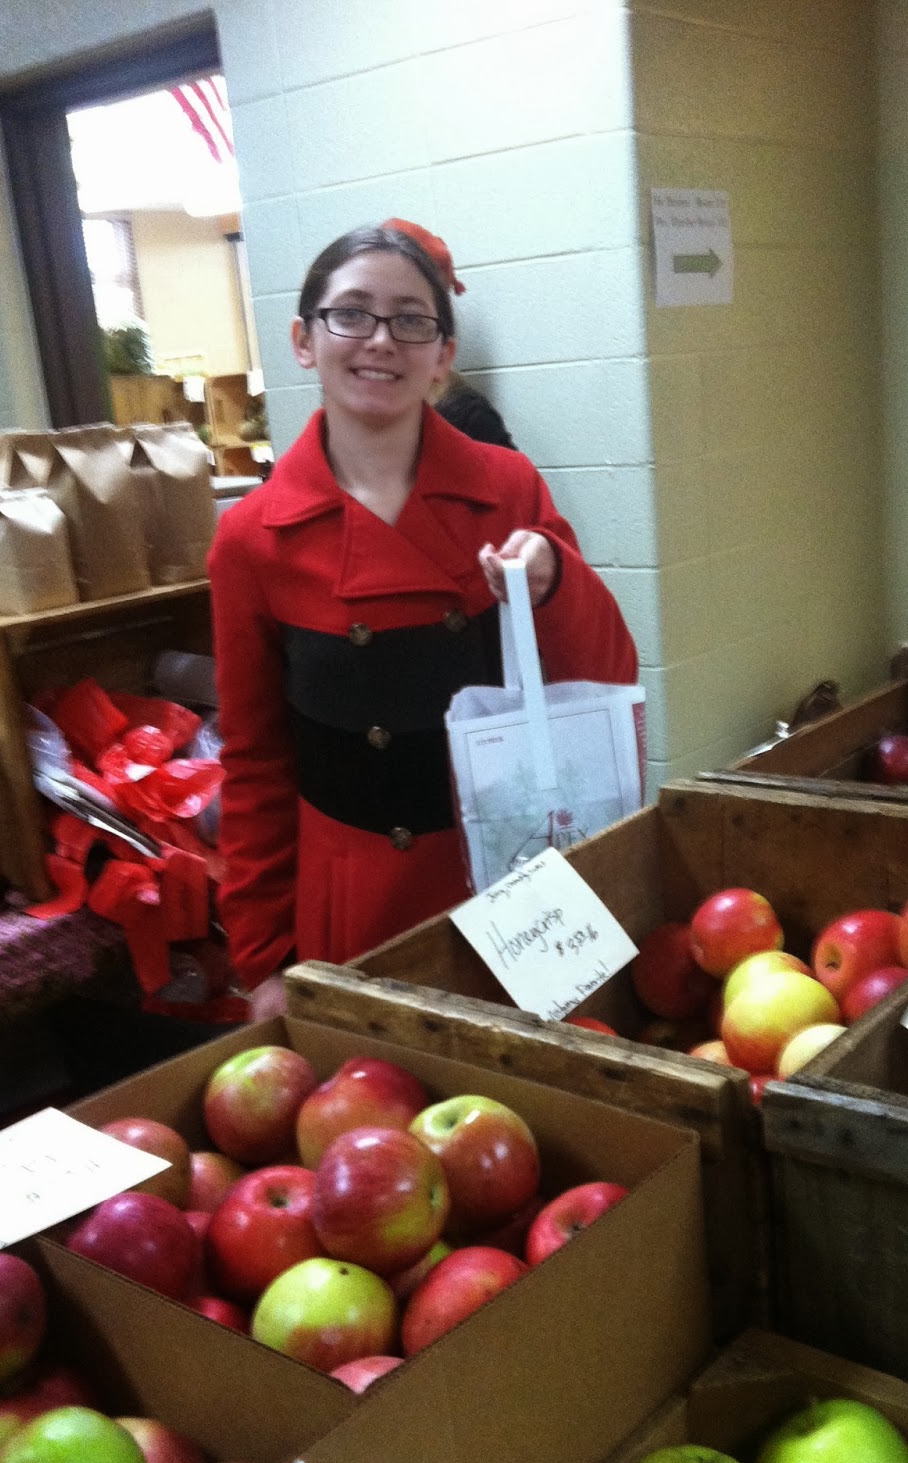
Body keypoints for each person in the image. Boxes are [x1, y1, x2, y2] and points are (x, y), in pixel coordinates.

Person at [208, 223, 638, 1020]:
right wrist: (263, 958)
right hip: (357, 902)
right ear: (303, 340)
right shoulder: (251, 538)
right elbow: (256, 762)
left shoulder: (506, 486)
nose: (381, 340)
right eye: (351, 314)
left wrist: (551, 582)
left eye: (412, 320)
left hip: (513, 882)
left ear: (441, 355)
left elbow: (604, 675)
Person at [379, 217, 517, 448]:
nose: (380, 339)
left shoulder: (466, 416)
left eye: (408, 319)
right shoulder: (352, 408)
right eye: (356, 313)